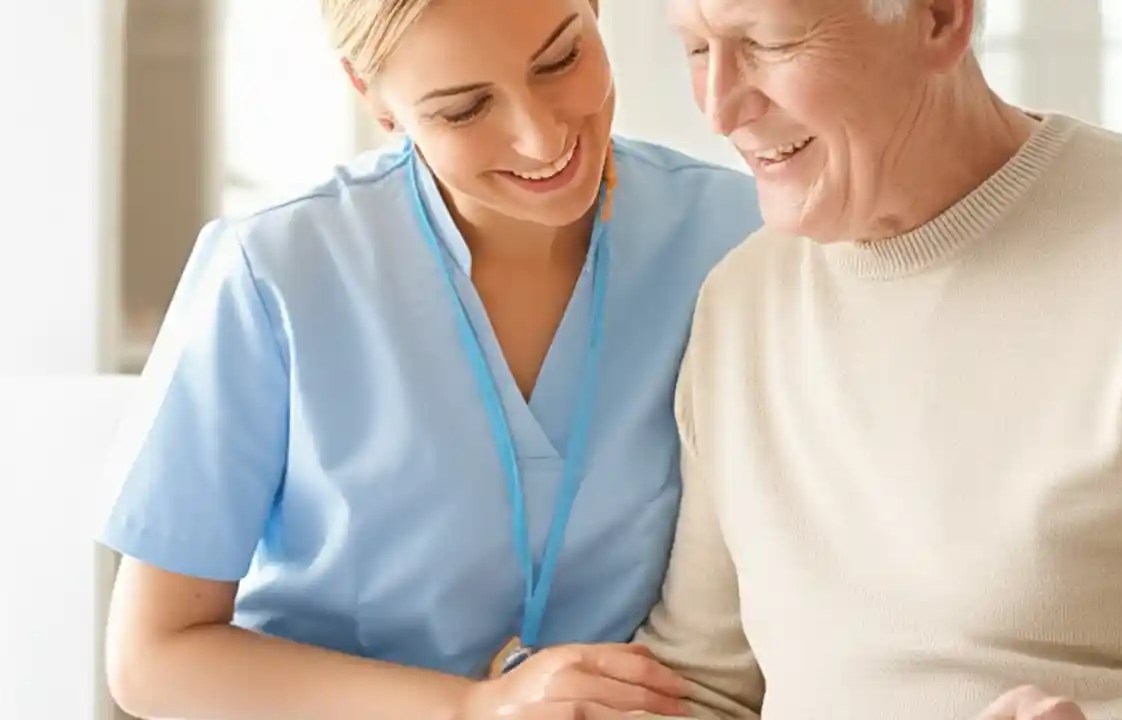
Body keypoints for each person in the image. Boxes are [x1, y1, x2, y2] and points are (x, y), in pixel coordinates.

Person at [96, 0, 761, 718]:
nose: (541, 139)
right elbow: (152, 656)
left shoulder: (739, 239)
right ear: (372, 98)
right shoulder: (275, 273)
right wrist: (471, 709)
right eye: (464, 108)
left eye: (561, 59)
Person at [635, 0, 1122, 718]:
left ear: (941, 19)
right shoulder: (740, 304)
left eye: (770, 43)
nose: (720, 108)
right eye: (696, 51)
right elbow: (703, 689)